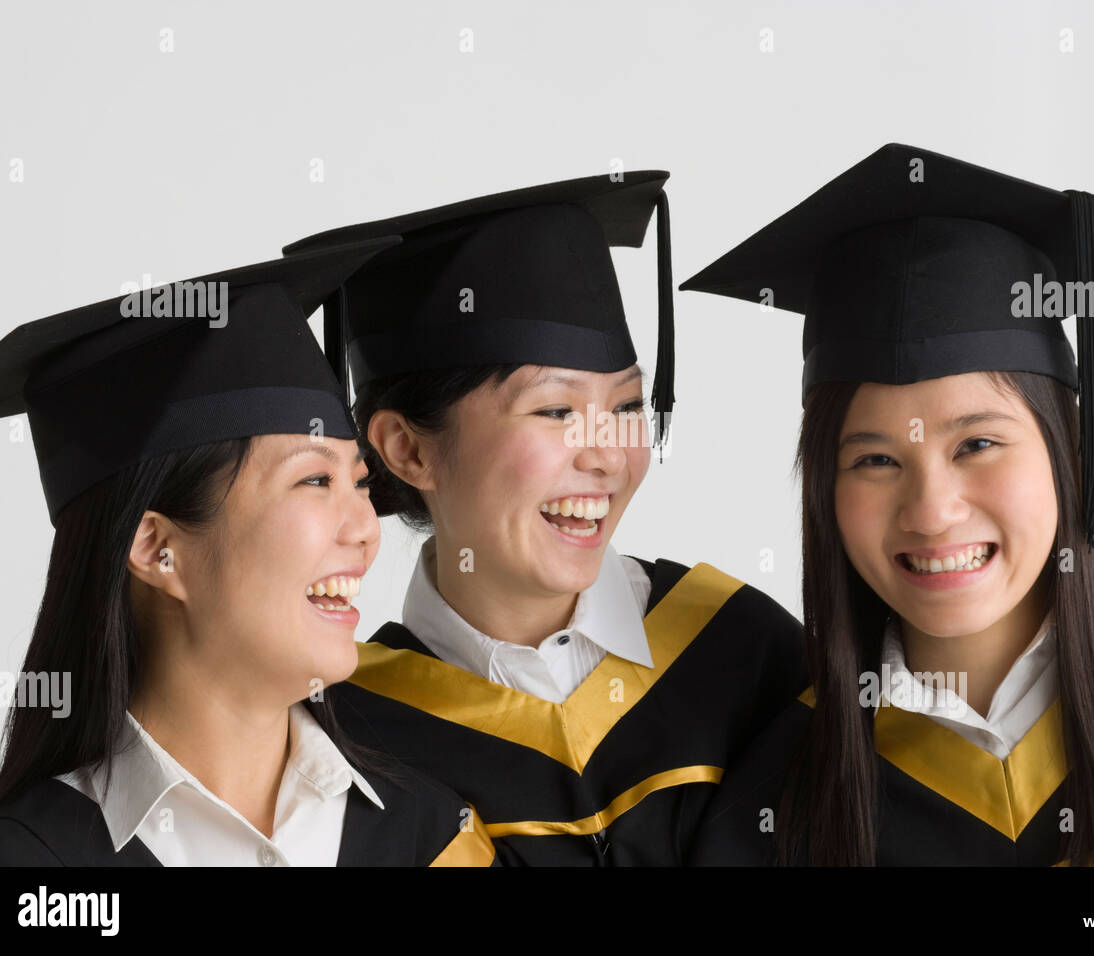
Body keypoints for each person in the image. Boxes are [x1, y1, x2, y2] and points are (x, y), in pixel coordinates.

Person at [679, 143, 1094, 865]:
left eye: (977, 445)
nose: (931, 511)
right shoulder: (777, 801)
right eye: (876, 460)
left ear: (1072, 454)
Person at [281, 172, 808, 865]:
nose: (607, 456)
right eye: (555, 411)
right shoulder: (345, 739)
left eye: (625, 407)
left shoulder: (747, 652)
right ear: (407, 450)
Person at [0, 240, 495, 866]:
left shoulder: (434, 839)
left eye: (359, 481)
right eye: (315, 481)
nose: (365, 528)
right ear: (156, 547)